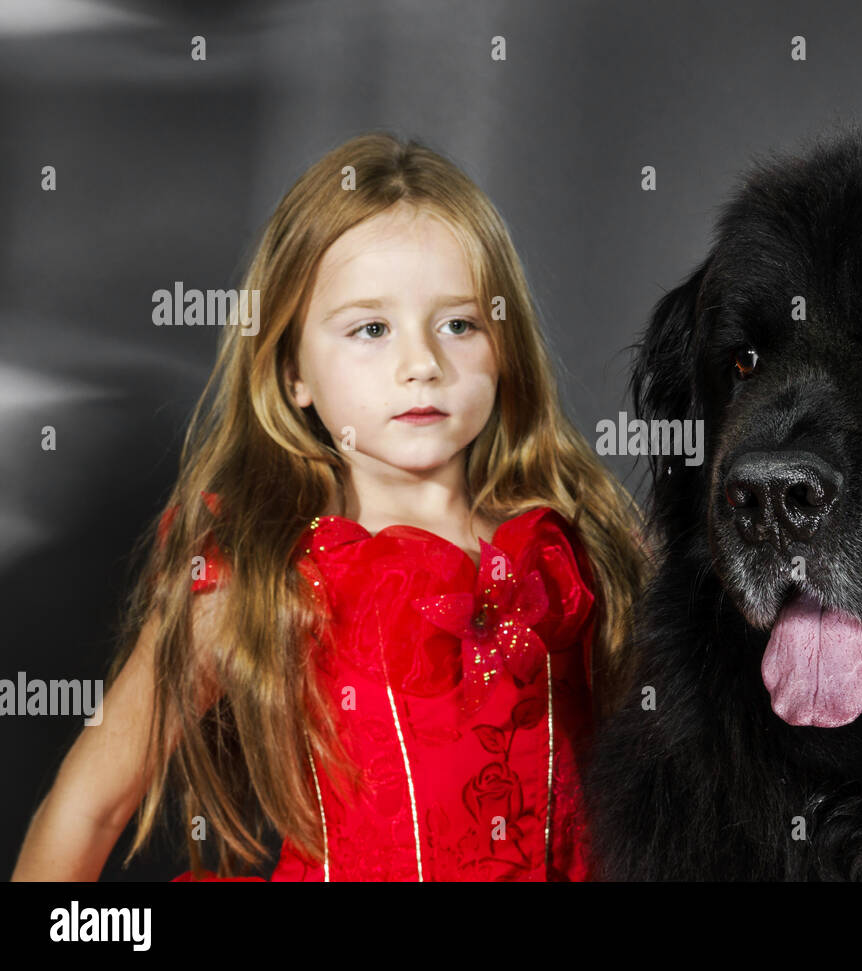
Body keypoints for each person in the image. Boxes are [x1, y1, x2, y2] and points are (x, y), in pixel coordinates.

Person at [11, 133, 648, 881]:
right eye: (371, 329)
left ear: (504, 346)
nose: (422, 365)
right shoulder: (259, 573)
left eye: (459, 324)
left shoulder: (580, 546)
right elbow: (89, 807)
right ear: (293, 374)